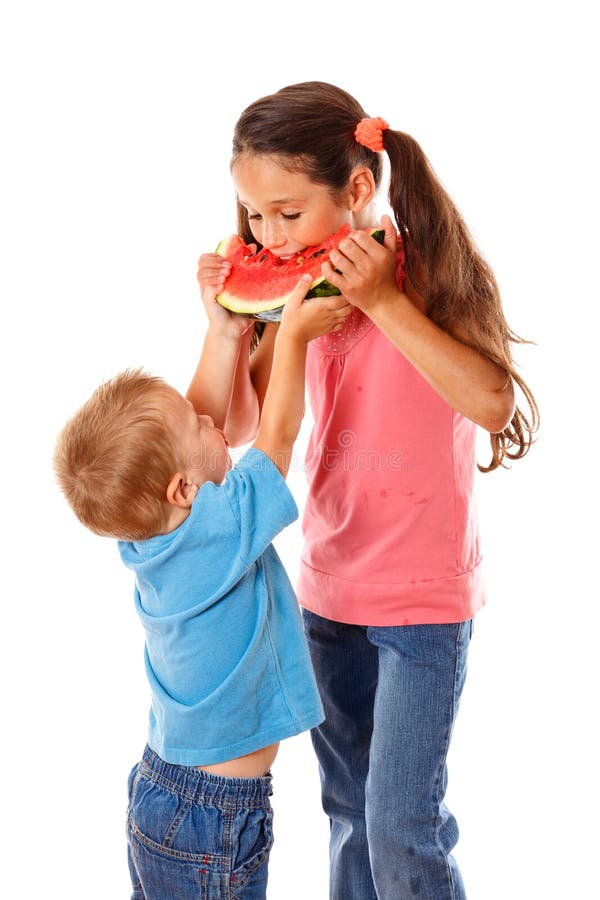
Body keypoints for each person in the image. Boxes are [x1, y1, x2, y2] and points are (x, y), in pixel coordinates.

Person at [196, 81, 539, 899]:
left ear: (356, 189)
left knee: (400, 824)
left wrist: (380, 298)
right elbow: (234, 427)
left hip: (424, 601)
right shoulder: (291, 292)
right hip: (327, 593)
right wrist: (227, 326)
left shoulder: (432, 266)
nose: (268, 234)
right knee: (347, 807)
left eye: (287, 213)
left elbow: (492, 402)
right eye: (254, 216)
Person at [53, 273, 353, 899]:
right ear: (183, 491)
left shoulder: (153, 534)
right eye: (200, 424)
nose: (215, 420)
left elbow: (192, 440)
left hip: (172, 794)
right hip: (209, 817)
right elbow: (278, 437)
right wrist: (291, 335)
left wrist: (223, 335)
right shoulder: (215, 532)